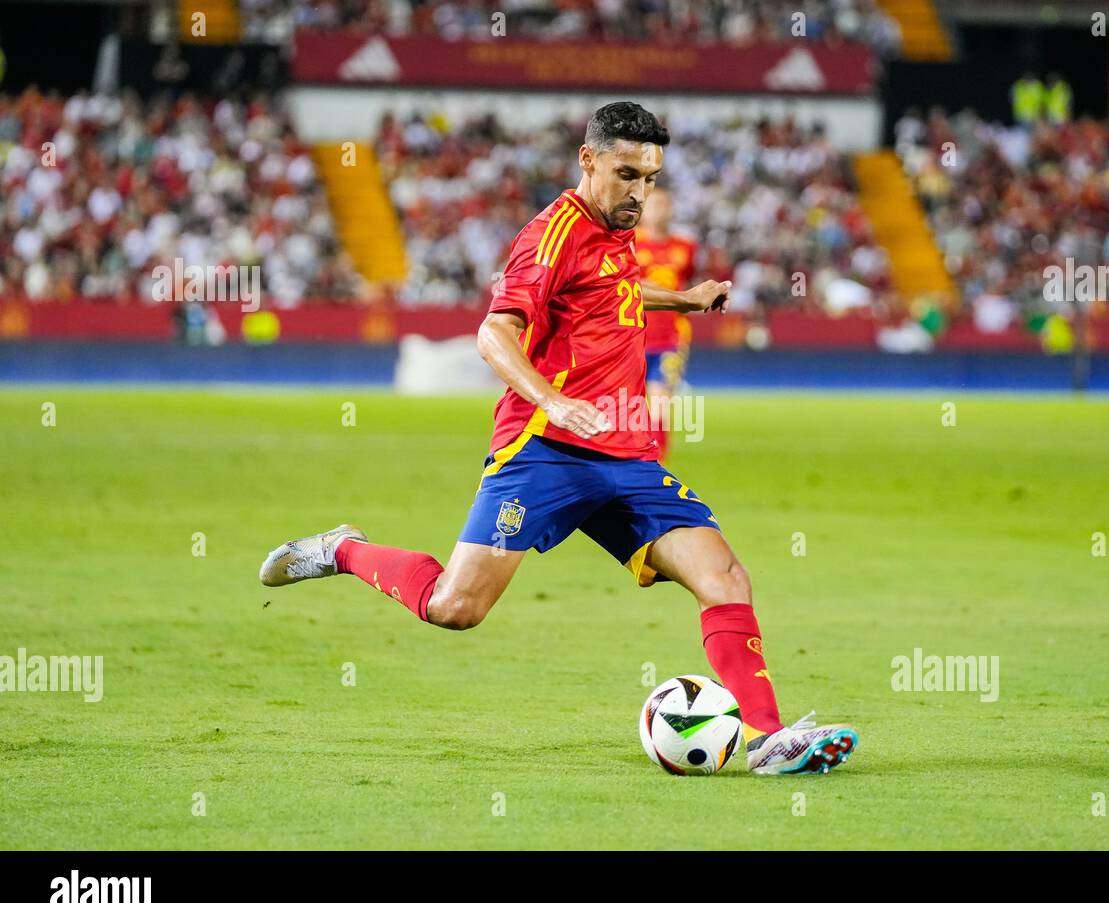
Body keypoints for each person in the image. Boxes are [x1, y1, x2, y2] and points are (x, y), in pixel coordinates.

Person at [259, 102, 858, 775]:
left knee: (724, 577)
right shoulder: (550, 236)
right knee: (456, 607)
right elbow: (495, 332)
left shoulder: (618, 227)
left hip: (624, 454)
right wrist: (555, 401)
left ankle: (768, 740)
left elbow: (614, 290)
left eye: (651, 179)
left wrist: (682, 300)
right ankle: (343, 550)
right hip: (544, 450)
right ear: (589, 160)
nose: (640, 192)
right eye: (627, 174)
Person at [634, 187, 696, 463]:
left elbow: (688, 285)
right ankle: (631, 460)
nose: (660, 211)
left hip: (672, 337)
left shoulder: (685, 247)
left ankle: (656, 466)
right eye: (654, 205)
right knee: (630, 405)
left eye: (665, 206)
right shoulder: (628, 243)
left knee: (660, 403)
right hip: (633, 336)